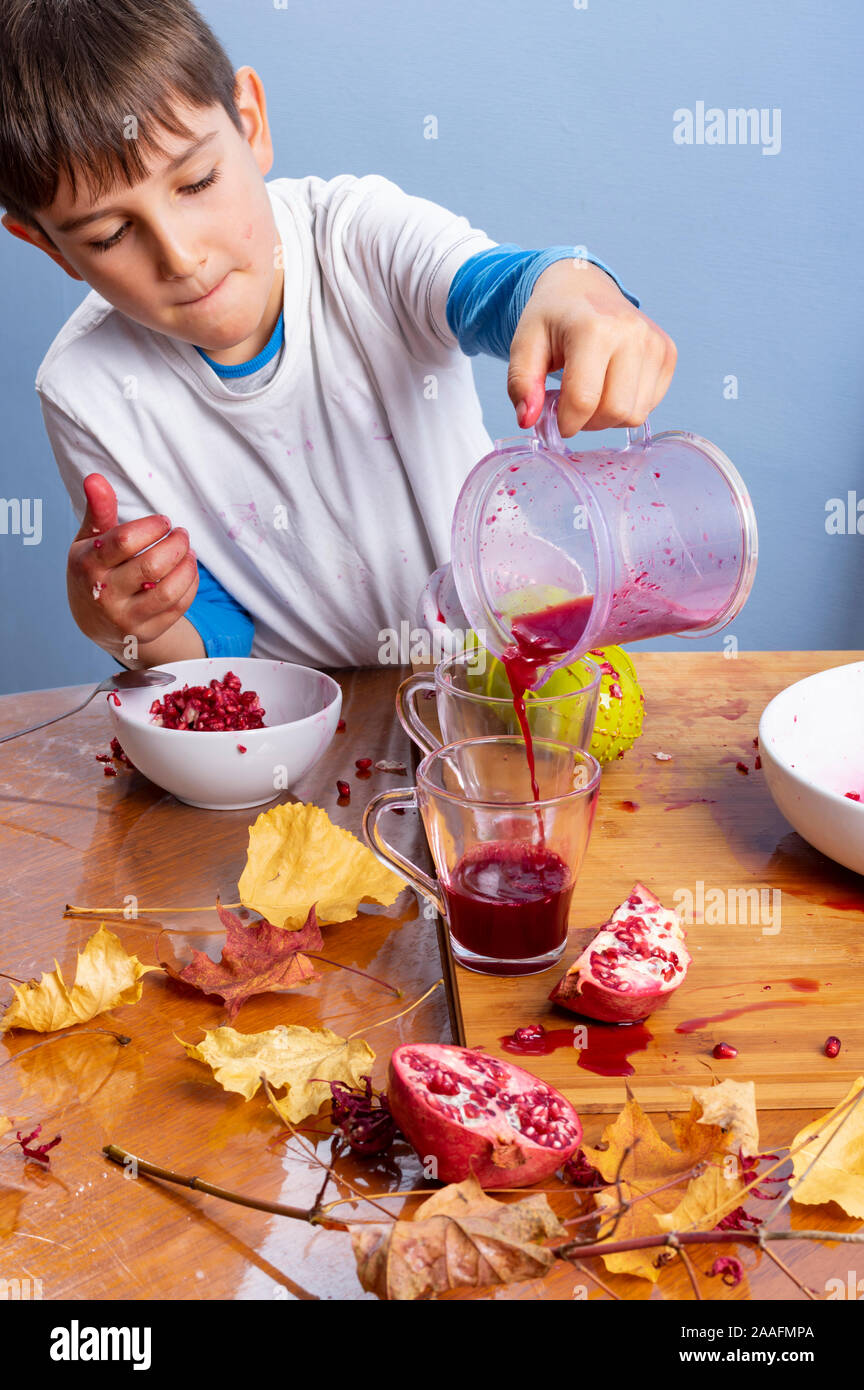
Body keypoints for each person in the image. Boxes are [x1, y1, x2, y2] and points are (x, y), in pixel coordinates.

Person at [0, 0, 676, 672]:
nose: (180, 256)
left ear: (250, 122)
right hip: (308, 727)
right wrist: (124, 623)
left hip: (496, 671)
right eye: (109, 235)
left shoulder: (356, 235)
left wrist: (575, 289)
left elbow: (495, 289)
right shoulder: (84, 390)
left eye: (198, 181)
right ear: (51, 249)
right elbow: (211, 634)